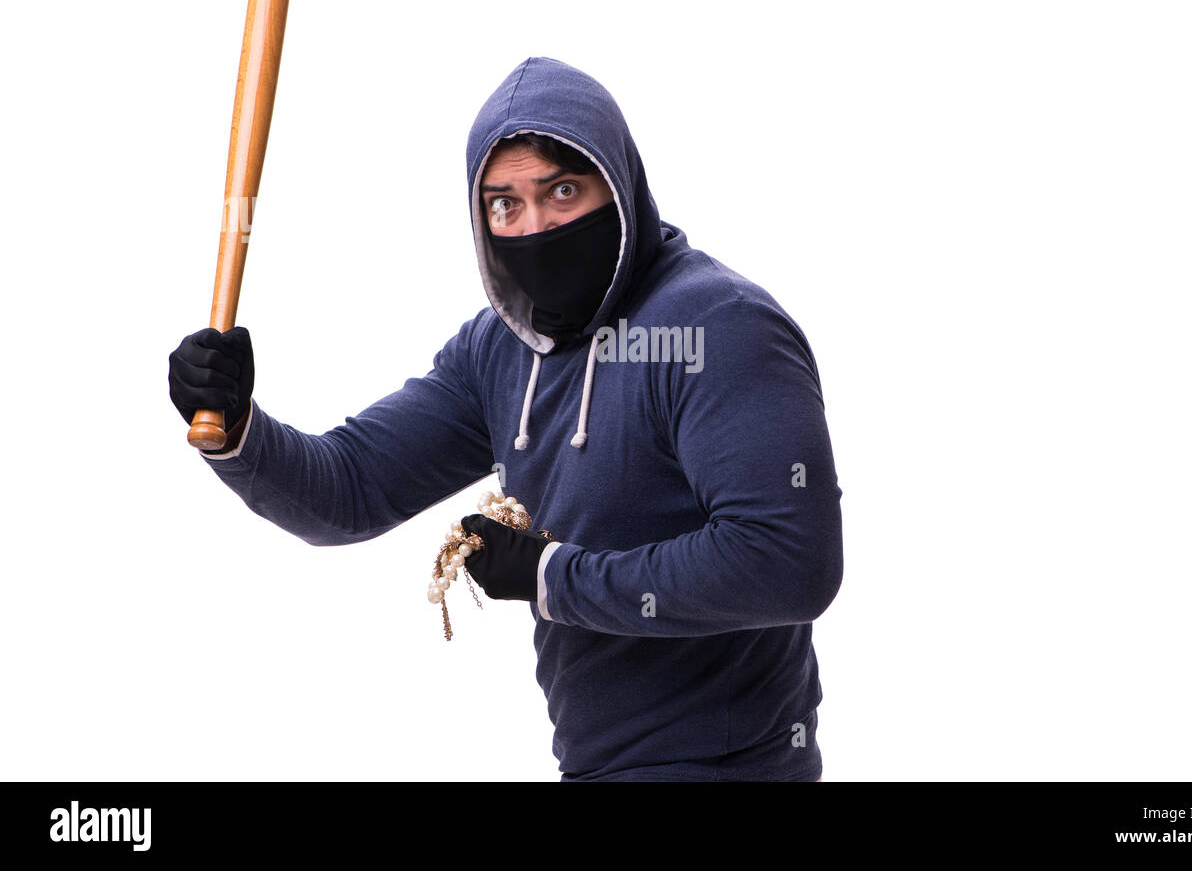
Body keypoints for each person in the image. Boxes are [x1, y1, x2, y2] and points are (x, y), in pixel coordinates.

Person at [169, 57, 844, 781]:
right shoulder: (502, 348)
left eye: (561, 191)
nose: (536, 226)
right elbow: (350, 490)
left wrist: (556, 575)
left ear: (618, 184)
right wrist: (238, 427)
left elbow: (788, 562)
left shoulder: (720, 329)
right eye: (505, 205)